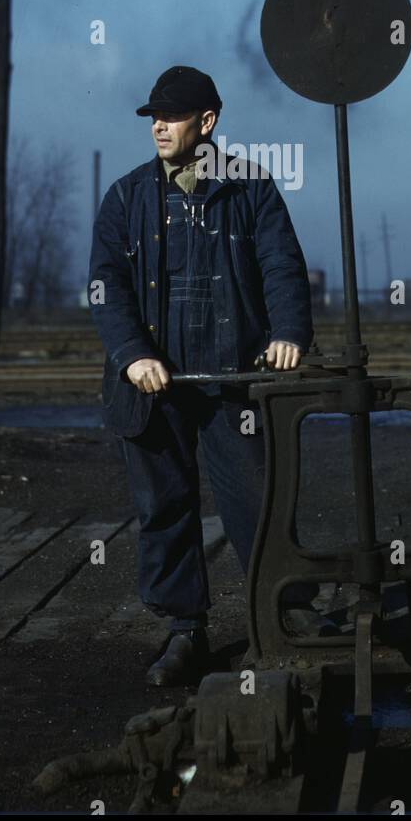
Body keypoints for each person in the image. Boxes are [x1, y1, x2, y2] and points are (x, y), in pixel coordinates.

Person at [88, 65, 314, 686]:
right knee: (164, 509)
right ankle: (185, 633)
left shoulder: (251, 189)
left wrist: (288, 333)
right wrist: (133, 355)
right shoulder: (127, 197)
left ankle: (286, 617)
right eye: (153, 117)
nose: (159, 126)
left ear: (207, 122)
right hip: (151, 387)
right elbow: (106, 287)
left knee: (258, 502)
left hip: (231, 381)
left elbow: (283, 269)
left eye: (172, 116)